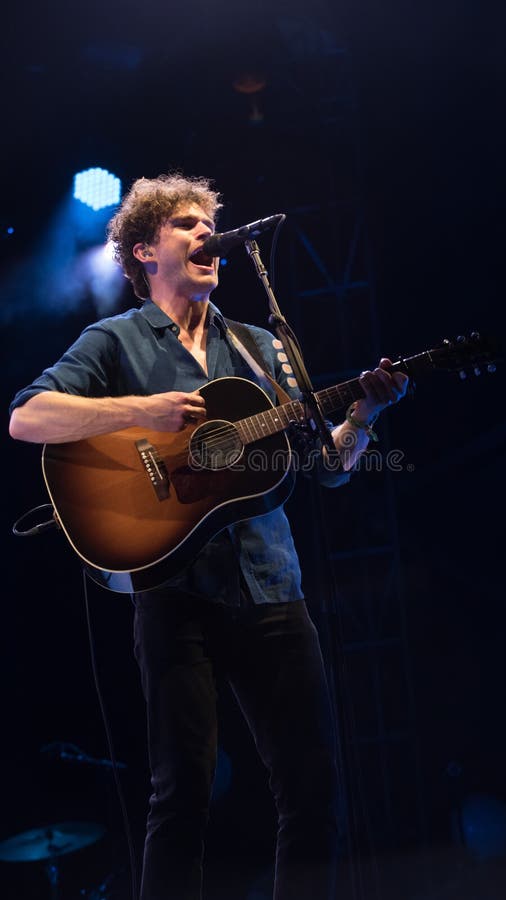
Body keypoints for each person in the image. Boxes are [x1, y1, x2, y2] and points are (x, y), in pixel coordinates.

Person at [9, 174, 408, 900]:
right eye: (186, 226)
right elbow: (26, 418)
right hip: (173, 592)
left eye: (208, 225)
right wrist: (140, 410)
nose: (206, 237)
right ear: (143, 253)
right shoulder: (115, 339)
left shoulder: (261, 346)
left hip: (270, 587)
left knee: (313, 792)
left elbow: (327, 467)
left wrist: (366, 417)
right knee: (182, 795)